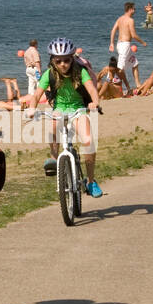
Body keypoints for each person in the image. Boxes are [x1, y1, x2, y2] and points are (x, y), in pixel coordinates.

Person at [20, 37, 105, 197]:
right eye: (58, 61)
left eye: (66, 60)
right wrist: (31, 108)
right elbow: (37, 94)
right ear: (52, 60)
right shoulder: (49, 74)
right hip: (59, 109)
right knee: (53, 125)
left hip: (78, 109)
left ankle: (91, 182)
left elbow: (92, 89)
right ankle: (54, 159)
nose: (63, 65)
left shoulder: (81, 71)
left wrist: (95, 102)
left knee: (88, 141)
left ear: (72, 58)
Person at [109, 1, 146, 92]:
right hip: (125, 46)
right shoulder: (130, 20)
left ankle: (138, 85)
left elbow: (113, 30)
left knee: (135, 64)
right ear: (130, 9)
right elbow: (133, 35)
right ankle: (110, 83)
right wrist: (142, 42)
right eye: (134, 9)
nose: (135, 10)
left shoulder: (120, 19)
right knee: (120, 69)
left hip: (120, 44)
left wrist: (112, 43)